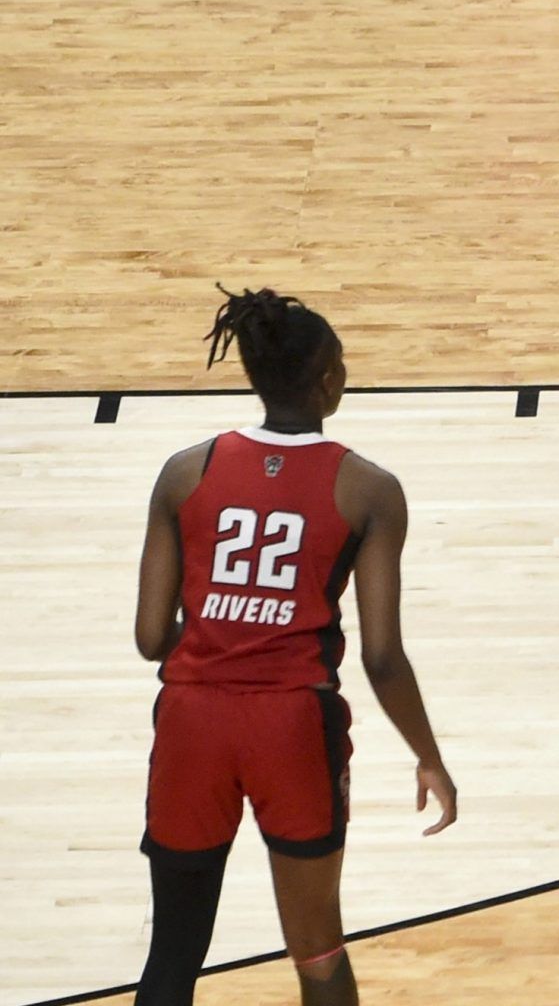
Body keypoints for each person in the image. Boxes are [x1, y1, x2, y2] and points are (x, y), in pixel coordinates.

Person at [129, 289, 457, 1006]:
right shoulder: (369, 489)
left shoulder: (185, 472)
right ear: (327, 381)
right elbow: (381, 656)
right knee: (316, 951)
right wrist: (429, 756)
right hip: (291, 725)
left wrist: (224, 635)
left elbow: (152, 636)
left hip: (192, 720)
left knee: (172, 959)